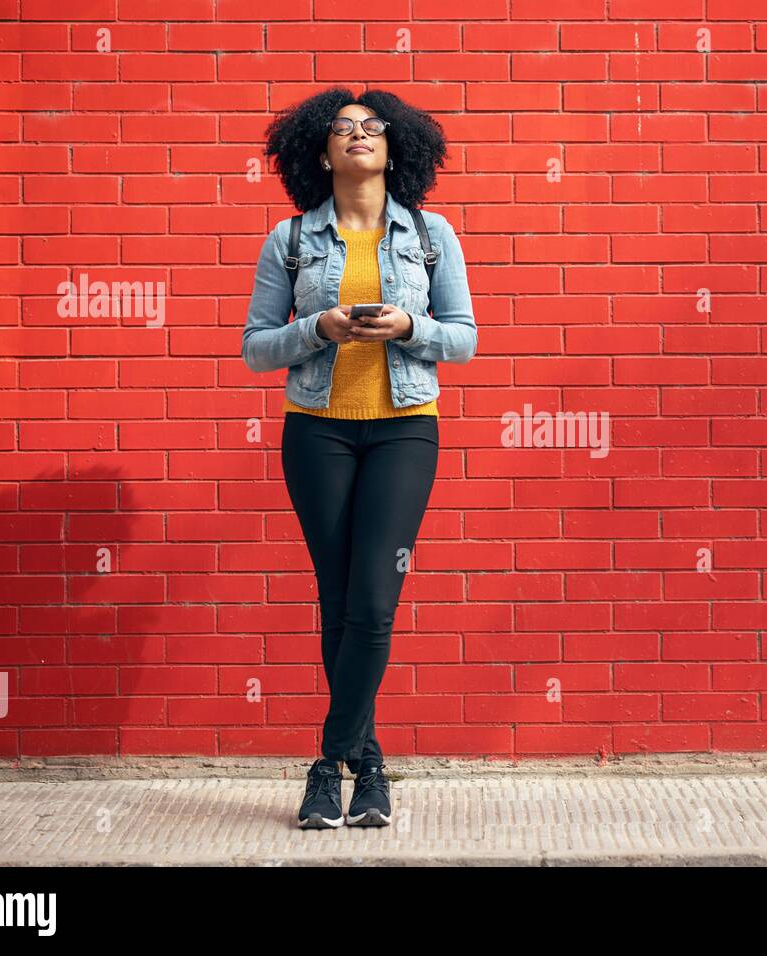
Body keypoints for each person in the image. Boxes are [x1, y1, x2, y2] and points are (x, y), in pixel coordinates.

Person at [241, 87, 478, 828]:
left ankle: (327, 762)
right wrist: (320, 326)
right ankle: (368, 765)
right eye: (342, 128)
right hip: (318, 430)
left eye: (372, 126)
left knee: (375, 599)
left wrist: (411, 325)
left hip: (405, 427)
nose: (358, 135)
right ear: (321, 152)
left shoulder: (432, 234)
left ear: (393, 147)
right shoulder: (289, 240)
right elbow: (255, 347)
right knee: (339, 600)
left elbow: (465, 336)